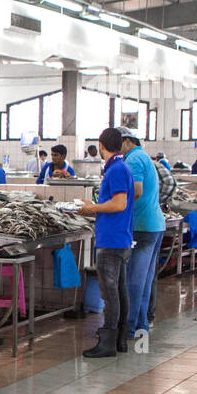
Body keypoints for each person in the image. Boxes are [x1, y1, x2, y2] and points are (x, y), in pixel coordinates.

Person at [77, 128, 135, 358]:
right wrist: (93, 206)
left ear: (101, 145)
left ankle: (108, 342)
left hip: (112, 240)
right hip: (119, 238)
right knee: (119, 291)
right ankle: (120, 339)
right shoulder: (119, 167)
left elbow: (119, 204)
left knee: (110, 293)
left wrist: (92, 208)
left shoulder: (117, 169)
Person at [120, 129, 165, 339]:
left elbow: (136, 191)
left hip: (142, 226)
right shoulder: (143, 157)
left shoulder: (134, 159)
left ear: (127, 142)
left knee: (134, 280)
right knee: (145, 279)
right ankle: (140, 326)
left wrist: (117, 208)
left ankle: (129, 327)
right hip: (154, 225)